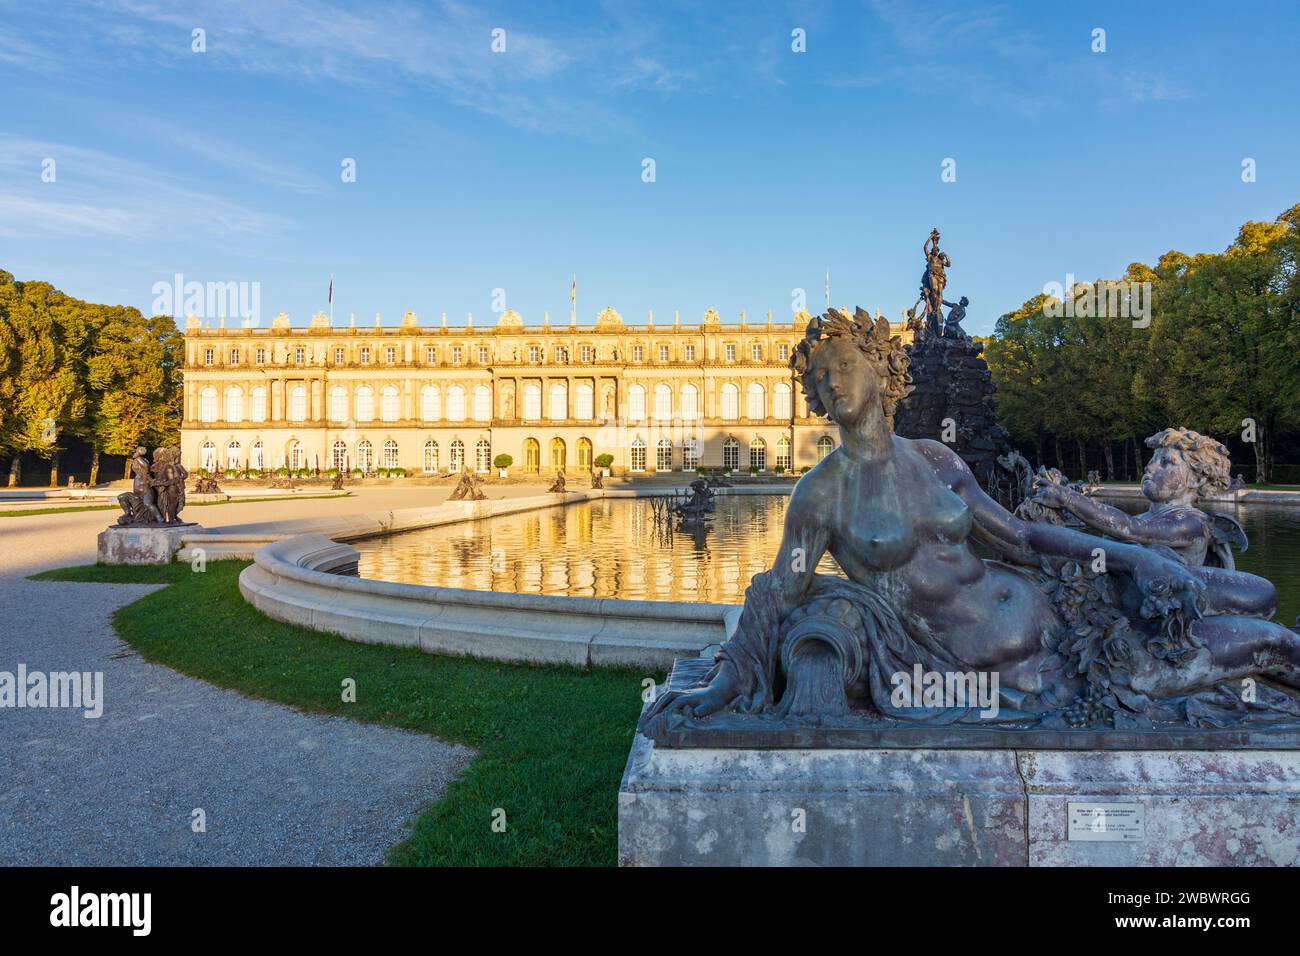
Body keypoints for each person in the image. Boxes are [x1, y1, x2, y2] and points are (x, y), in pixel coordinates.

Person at [646, 308, 1300, 729]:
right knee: (1273, 646)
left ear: (883, 371)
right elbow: (776, 592)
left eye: (844, 366)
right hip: (1035, 667)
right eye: (818, 375)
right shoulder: (821, 493)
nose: (830, 383)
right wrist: (726, 680)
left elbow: (1016, 535)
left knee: (1254, 600)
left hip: (1066, 605)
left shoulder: (933, 455)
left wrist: (1136, 557)